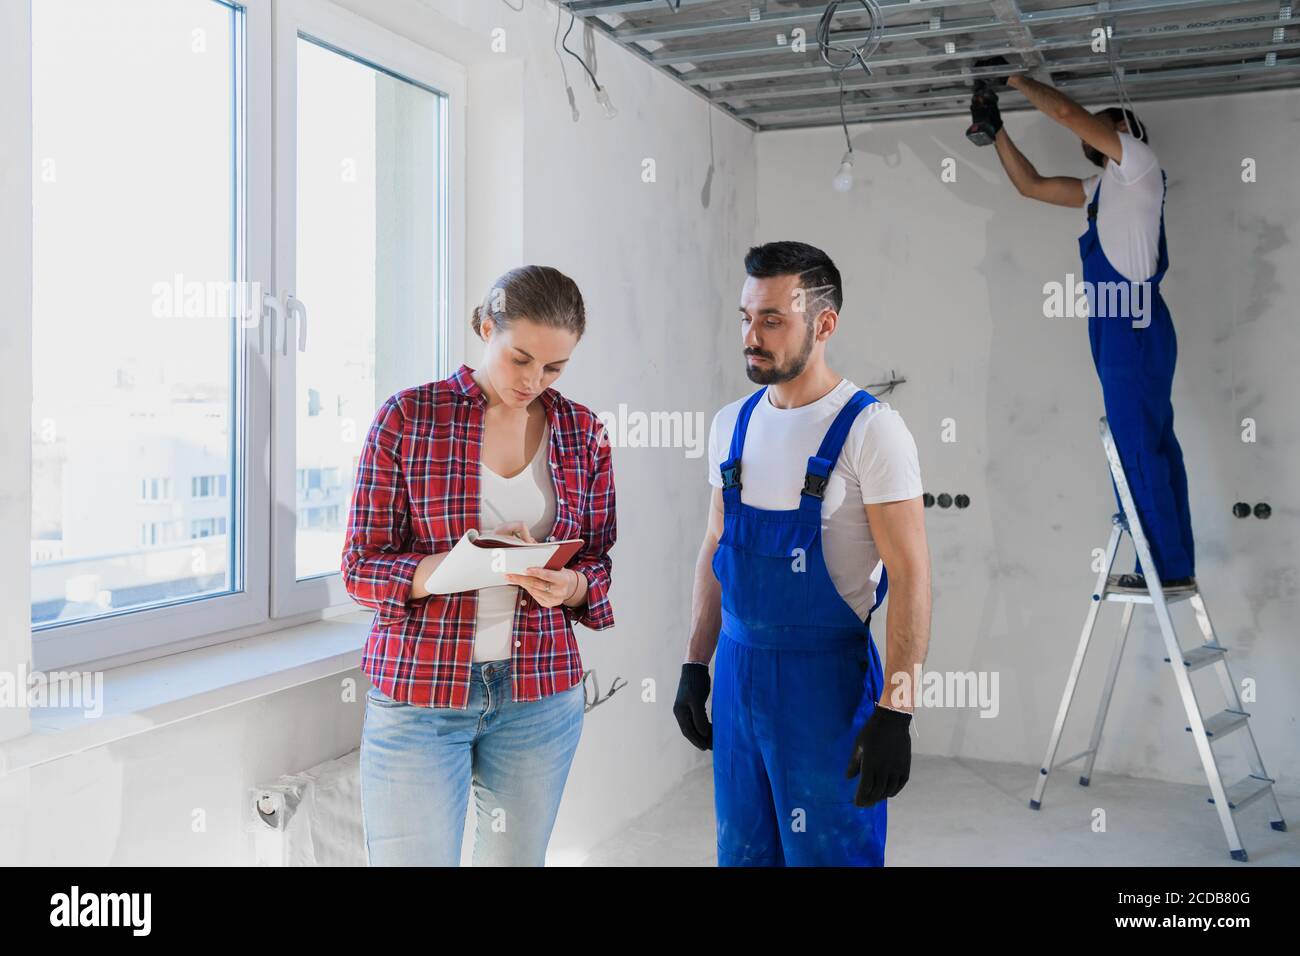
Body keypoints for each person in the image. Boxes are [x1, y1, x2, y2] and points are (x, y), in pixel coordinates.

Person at [342, 265, 616, 866]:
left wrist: (567, 584)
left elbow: (596, 563)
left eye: (554, 367)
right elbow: (361, 567)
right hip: (419, 694)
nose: (534, 380)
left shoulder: (583, 431)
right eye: (520, 359)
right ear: (486, 327)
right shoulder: (409, 419)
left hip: (539, 696)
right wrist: (467, 561)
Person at [674, 241, 932, 866]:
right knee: (742, 853)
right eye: (745, 317)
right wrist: (694, 664)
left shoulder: (872, 431)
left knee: (828, 857)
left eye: (771, 320)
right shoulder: (731, 424)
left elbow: (912, 575)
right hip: (737, 674)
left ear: (823, 324)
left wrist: (896, 708)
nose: (751, 336)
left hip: (827, 684)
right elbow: (716, 544)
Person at [973, 60, 1196, 590]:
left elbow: (1068, 113)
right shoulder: (1099, 192)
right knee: (1148, 443)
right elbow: (1029, 186)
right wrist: (995, 125)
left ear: (1131, 132)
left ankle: (1161, 568)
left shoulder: (1139, 166)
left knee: (1137, 445)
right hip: (1114, 329)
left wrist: (1014, 78)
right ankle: (1170, 561)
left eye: (1110, 123)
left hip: (1134, 325)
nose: (1098, 131)